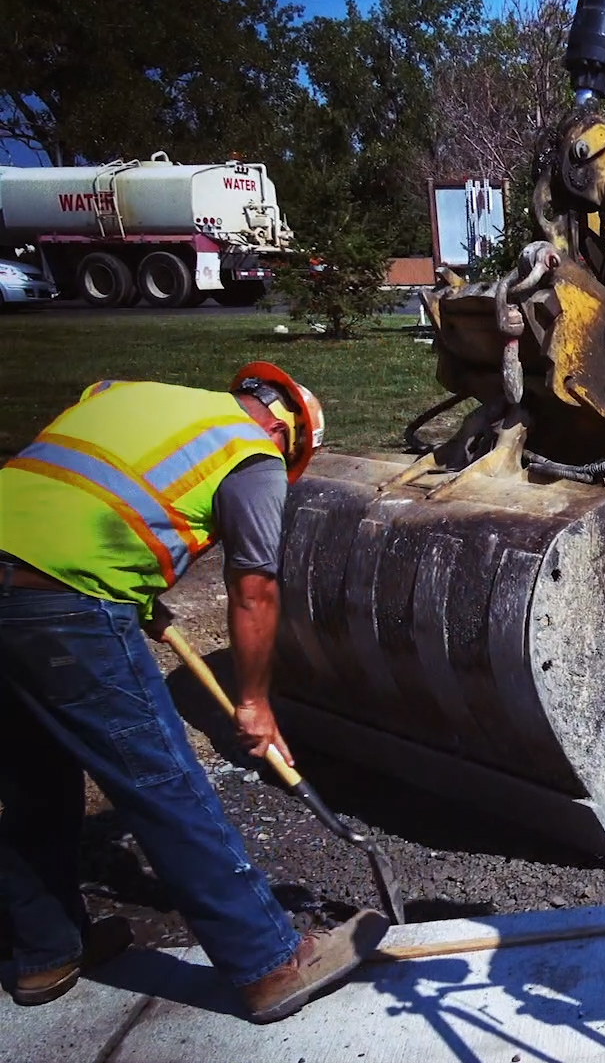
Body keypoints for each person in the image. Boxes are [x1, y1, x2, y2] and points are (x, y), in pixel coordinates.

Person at [0, 364, 388, 1021]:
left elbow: (83, 491)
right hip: (65, 600)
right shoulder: (254, 452)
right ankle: (269, 962)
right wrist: (255, 702)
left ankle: (46, 951)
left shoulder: (124, 394)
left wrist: (135, 585)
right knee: (162, 782)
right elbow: (255, 589)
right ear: (284, 431)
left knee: (32, 777)